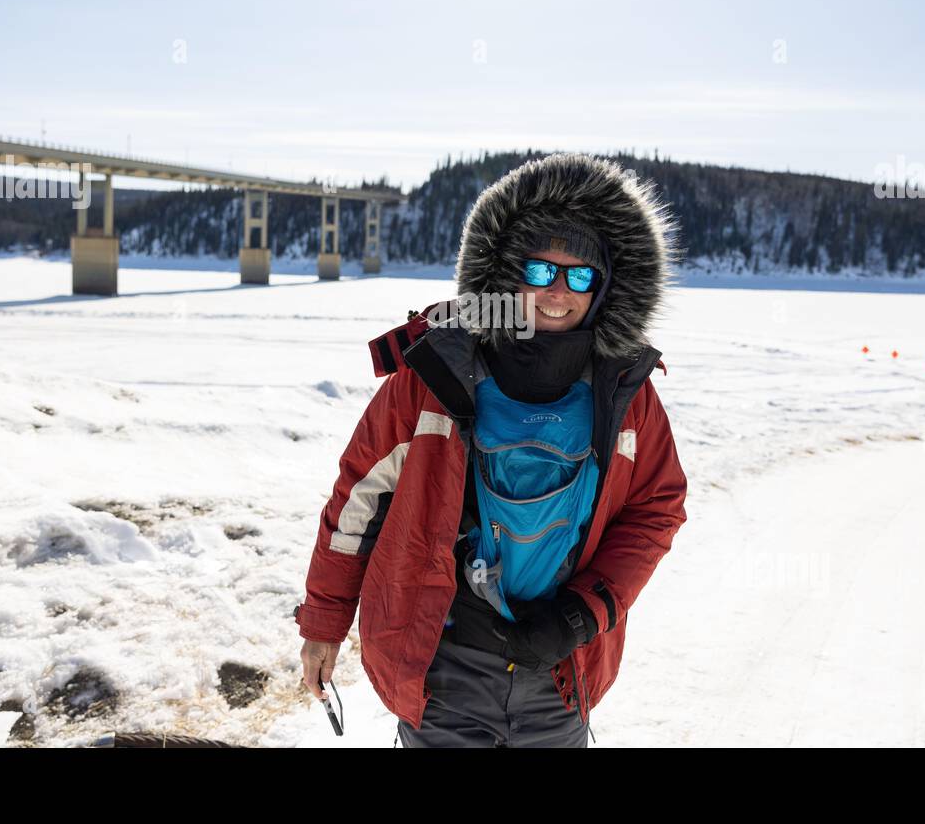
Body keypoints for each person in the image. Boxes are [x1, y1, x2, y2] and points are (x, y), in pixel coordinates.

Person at [295, 151, 688, 747]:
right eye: (539, 270)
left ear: (604, 288)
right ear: (506, 275)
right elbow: (356, 506)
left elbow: (656, 509)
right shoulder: (432, 375)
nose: (557, 291)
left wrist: (584, 614)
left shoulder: (624, 393)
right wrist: (324, 623)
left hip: (561, 676)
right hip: (442, 669)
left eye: (579, 275)